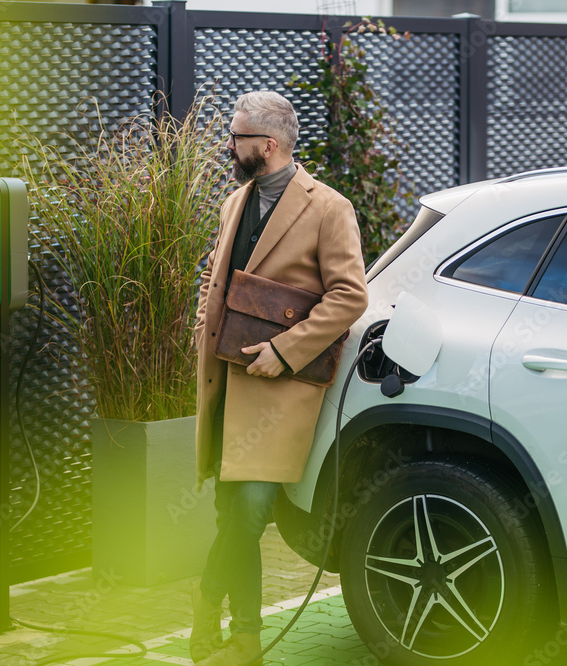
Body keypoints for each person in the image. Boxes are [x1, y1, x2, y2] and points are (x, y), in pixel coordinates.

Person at [189, 90, 369, 665]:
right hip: (224, 385)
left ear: (266, 146)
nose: (229, 145)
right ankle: (245, 639)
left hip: (279, 392)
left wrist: (286, 352)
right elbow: (213, 282)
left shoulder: (328, 208)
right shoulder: (233, 203)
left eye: (236, 137)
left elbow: (350, 296)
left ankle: (205, 599)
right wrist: (202, 329)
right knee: (229, 513)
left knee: (249, 513)